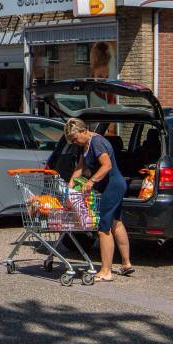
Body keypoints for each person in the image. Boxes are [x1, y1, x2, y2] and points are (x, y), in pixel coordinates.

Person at [61, 118, 133, 281]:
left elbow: (106, 166)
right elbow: (80, 168)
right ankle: (126, 263)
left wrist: (92, 181)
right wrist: (70, 188)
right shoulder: (85, 146)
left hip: (113, 185)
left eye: (74, 139)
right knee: (116, 222)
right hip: (114, 185)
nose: (75, 142)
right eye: (72, 141)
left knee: (103, 228)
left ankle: (106, 271)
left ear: (82, 131)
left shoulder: (97, 142)